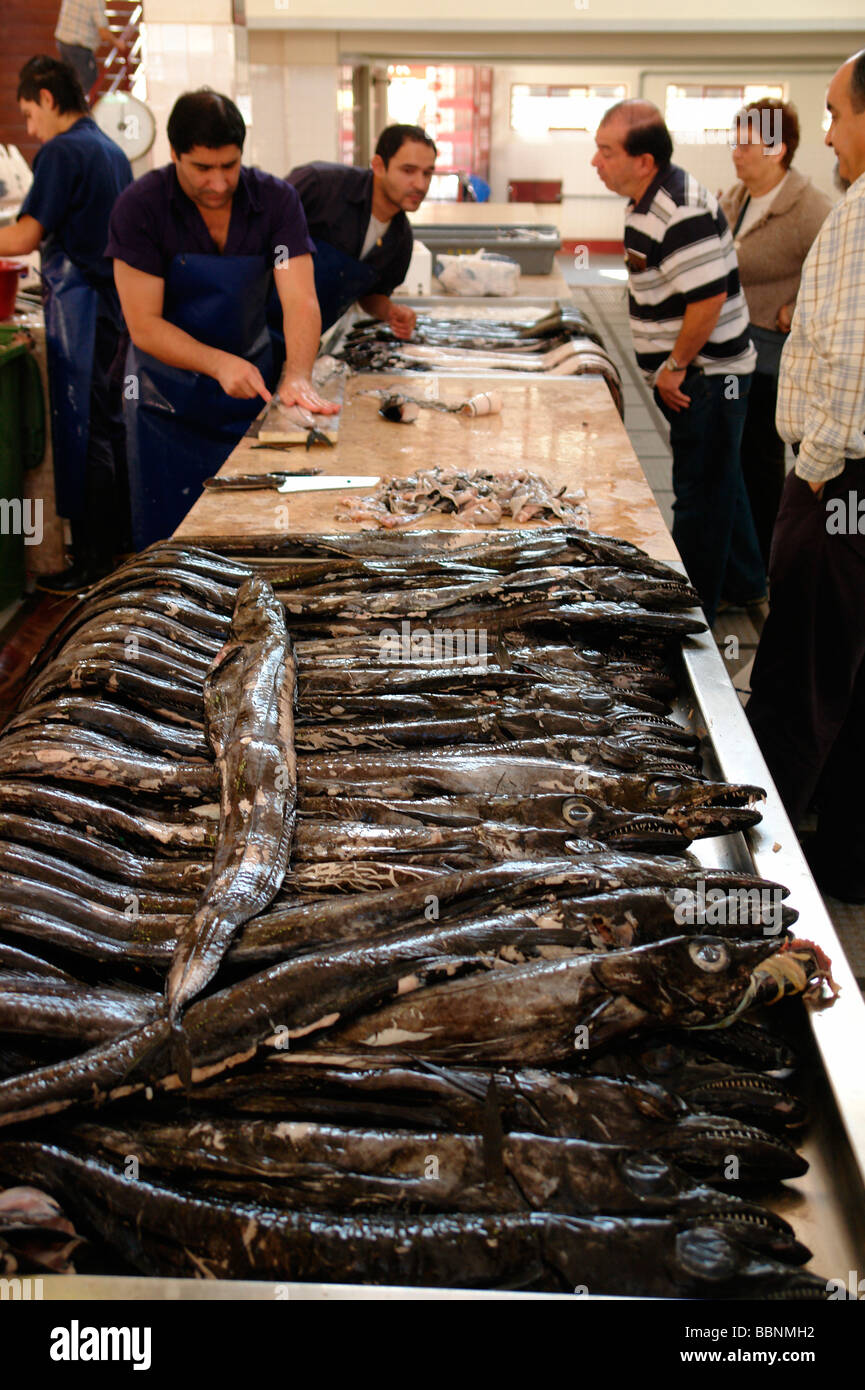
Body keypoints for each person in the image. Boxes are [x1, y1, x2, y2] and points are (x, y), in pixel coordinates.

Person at [106, 88, 337, 550]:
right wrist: (218, 364)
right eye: (202, 168)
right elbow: (145, 325)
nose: (218, 182)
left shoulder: (275, 201)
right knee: (170, 542)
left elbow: (300, 300)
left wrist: (297, 376)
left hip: (246, 399)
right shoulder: (140, 207)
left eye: (229, 166)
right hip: (163, 403)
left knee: (249, 537)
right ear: (173, 155)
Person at [746, 50, 865, 902]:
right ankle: (847, 848)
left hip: (843, 484)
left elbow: (853, 366)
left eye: (832, 113)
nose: (825, 132)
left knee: (800, 669)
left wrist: (817, 479)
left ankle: (763, 856)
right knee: (847, 671)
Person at [592, 99, 764, 627]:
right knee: (721, 479)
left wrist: (673, 365)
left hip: (708, 378)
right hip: (697, 373)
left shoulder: (678, 208)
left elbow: (707, 300)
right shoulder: (645, 198)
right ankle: (745, 582)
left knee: (699, 497)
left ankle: (692, 617)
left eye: (605, 151)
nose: (594, 162)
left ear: (643, 160)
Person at [0, 55, 133, 590]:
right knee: (106, 430)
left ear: (48, 98)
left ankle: (94, 565)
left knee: (86, 434)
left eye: (29, 113)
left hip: (87, 312)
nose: (29, 127)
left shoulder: (62, 150)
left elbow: (24, 238)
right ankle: (115, 555)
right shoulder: (108, 147)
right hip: (111, 310)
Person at [720, 99, 832, 566]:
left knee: (761, 461)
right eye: (736, 142)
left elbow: (838, 278)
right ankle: (743, 560)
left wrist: (795, 306)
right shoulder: (736, 198)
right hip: (730, 352)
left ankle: (767, 559)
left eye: (746, 144)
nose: (736, 153)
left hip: (774, 360)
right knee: (733, 458)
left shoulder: (811, 208)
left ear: (777, 149)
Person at [288, 124, 437, 336]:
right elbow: (266, 236)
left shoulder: (400, 239)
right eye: (408, 171)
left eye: (427, 174)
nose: (421, 185)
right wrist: (281, 263)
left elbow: (370, 295)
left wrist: (390, 311)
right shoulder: (319, 185)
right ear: (378, 166)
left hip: (305, 336)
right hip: (254, 328)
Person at [54, 0, 129, 102]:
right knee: (89, 92)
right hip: (79, 49)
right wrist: (117, 43)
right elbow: (103, 32)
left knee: (70, 89)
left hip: (64, 43)